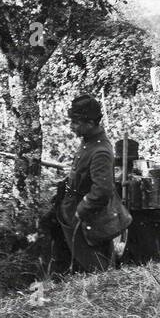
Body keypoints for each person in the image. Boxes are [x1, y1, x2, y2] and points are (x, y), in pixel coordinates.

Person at [56, 94, 130, 271]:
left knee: (96, 267)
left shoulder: (100, 151)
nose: (72, 127)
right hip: (78, 213)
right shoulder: (89, 142)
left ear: (90, 123)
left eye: (76, 122)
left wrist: (80, 211)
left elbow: (102, 190)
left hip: (89, 219)